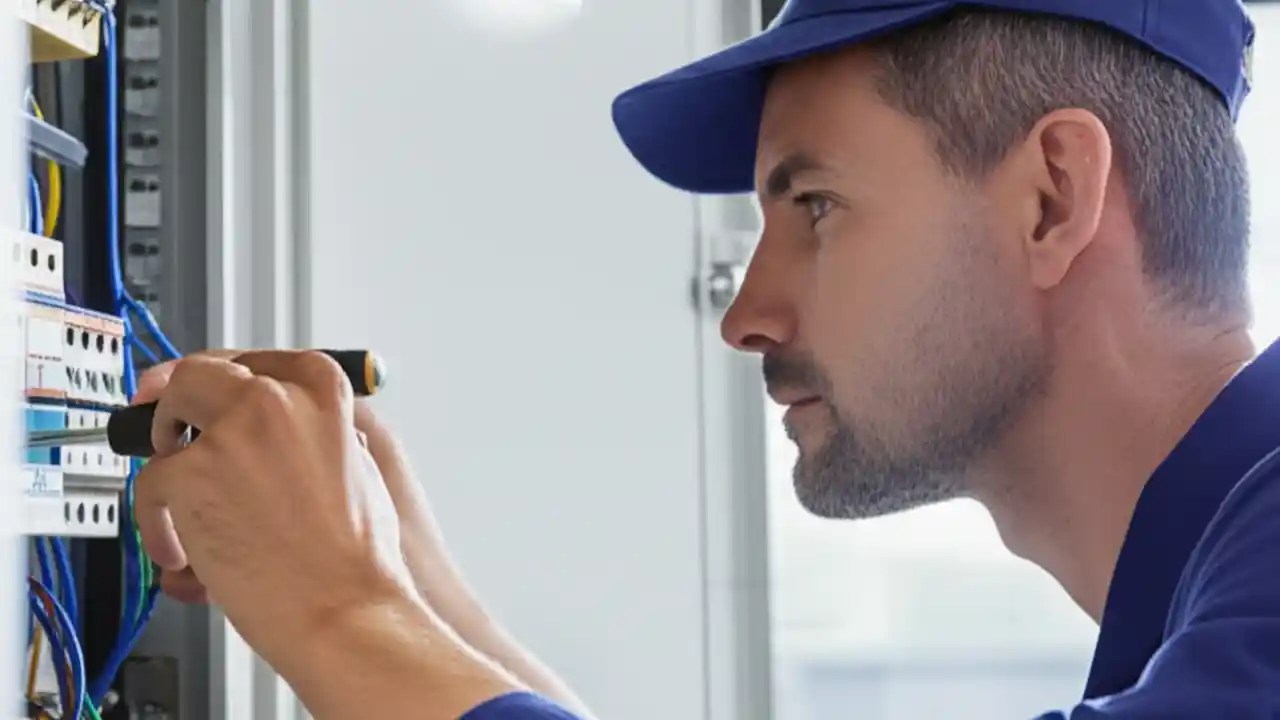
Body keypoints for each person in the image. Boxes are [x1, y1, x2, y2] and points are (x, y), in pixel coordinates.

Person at [130, 0, 1280, 717]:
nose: (746, 315)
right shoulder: (1208, 616)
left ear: (1049, 199)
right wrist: (399, 586)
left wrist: (338, 608)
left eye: (815, 207)